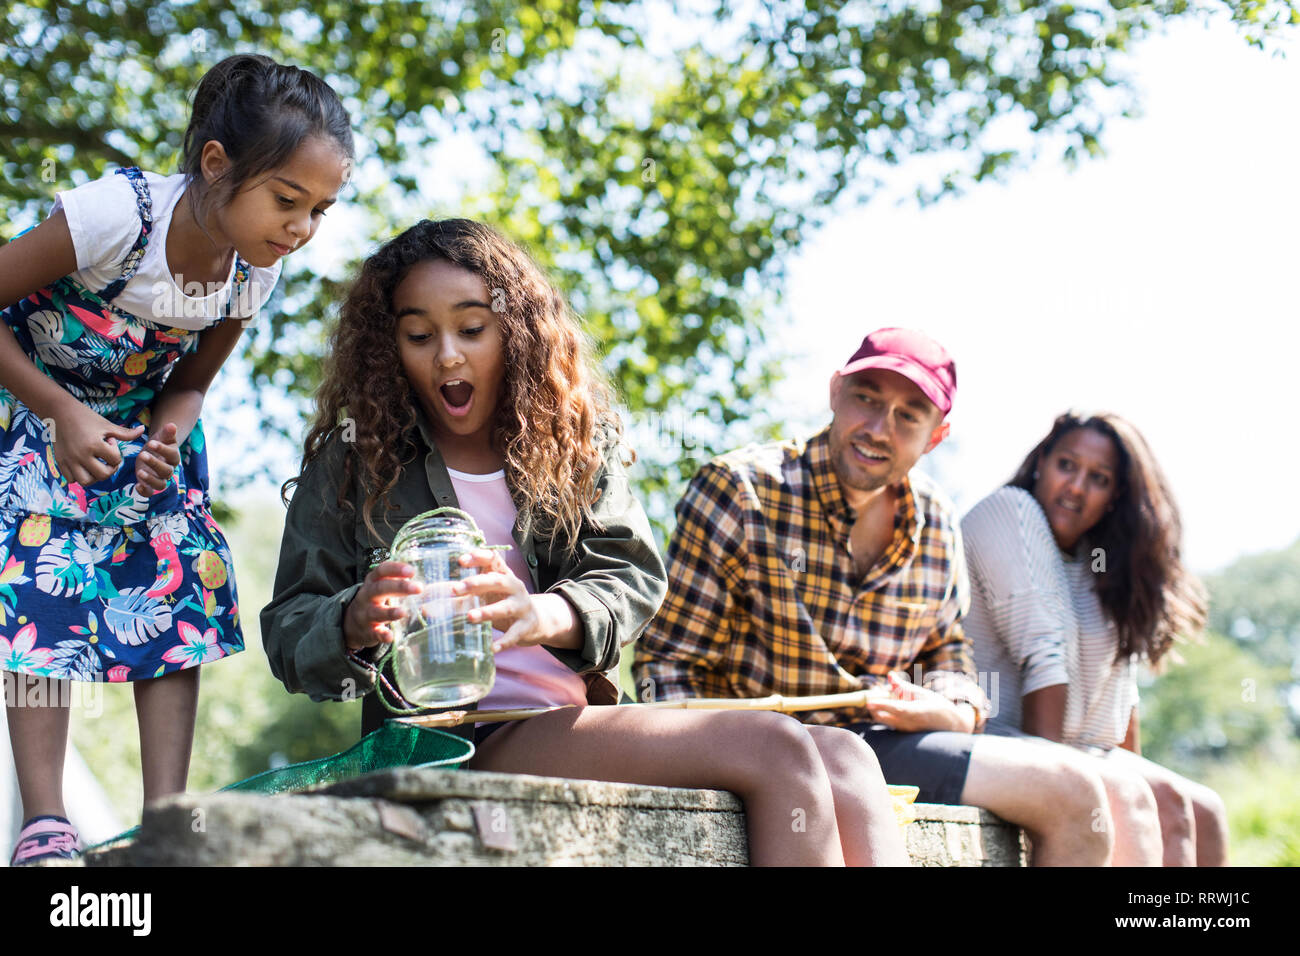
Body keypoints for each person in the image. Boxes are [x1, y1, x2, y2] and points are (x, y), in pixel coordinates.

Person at [261, 219, 908, 866]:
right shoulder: (352, 464)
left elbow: (630, 576)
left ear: (514, 331)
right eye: (420, 335)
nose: (449, 355)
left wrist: (539, 614)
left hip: (575, 719)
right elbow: (289, 630)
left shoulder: (571, 443)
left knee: (848, 758)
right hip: (457, 741)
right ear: (388, 345)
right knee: (776, 748)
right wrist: (352, 620)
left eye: (472, 328)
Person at [0, 54, 354, 865]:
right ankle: (44, 824)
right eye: (287, 201)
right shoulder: (115, 217)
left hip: (140, 424)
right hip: (36, 400)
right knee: (42, 575)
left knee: (177, 576)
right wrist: (60, 412)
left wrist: (166, 436)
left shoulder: (249, 274)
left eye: (321, 212)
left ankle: (168, 819)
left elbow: (190, 384)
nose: (300, 229)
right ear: (215, 164)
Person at [635, 328, 1167, 866]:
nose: (878, 429)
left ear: (936, 435)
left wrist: (952, 707)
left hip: (882, 744)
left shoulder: (936, 520)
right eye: (866, 397)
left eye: (908, 415)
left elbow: (947, 655)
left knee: (1080, 789)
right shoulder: (739, 489)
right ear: (835, 391)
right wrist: (734, 763)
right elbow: (669, 667)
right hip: (762, 744)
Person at [962, 410, 1229, 866]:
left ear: (1116, 495)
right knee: (1135, 797)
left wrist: (1141, 774)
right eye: (1067, 465)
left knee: (1199, 808)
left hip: (1079, 749)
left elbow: (1121, 701)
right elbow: (1042, 657)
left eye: (1098, 478)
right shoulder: (1011, 512)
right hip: (995, 735)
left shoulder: (1099, 558)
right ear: (1042, 461)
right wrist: (1056, 783)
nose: (1077, 487)